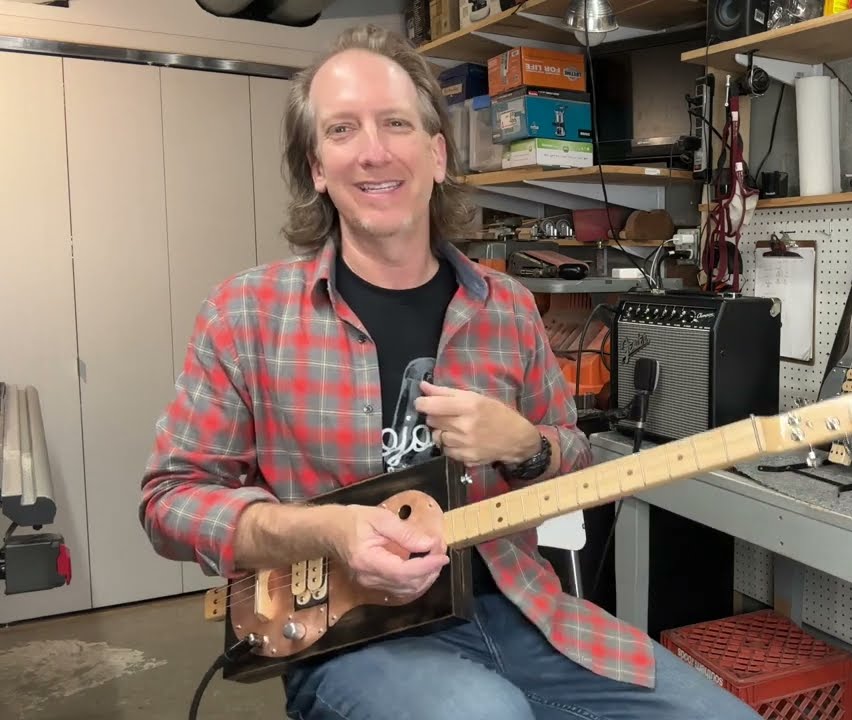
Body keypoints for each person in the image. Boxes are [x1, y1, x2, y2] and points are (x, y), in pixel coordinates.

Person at [139, 23, 762, 720]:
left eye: (396, 123)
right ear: (316, 167)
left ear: (436, 154)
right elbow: (170, 500)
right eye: (342, 129)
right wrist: (327, 531)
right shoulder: (245, 314)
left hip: (520, 611)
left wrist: (525, 446)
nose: (373, 151)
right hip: (352, 637)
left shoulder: (509, 309)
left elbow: (574, 460)